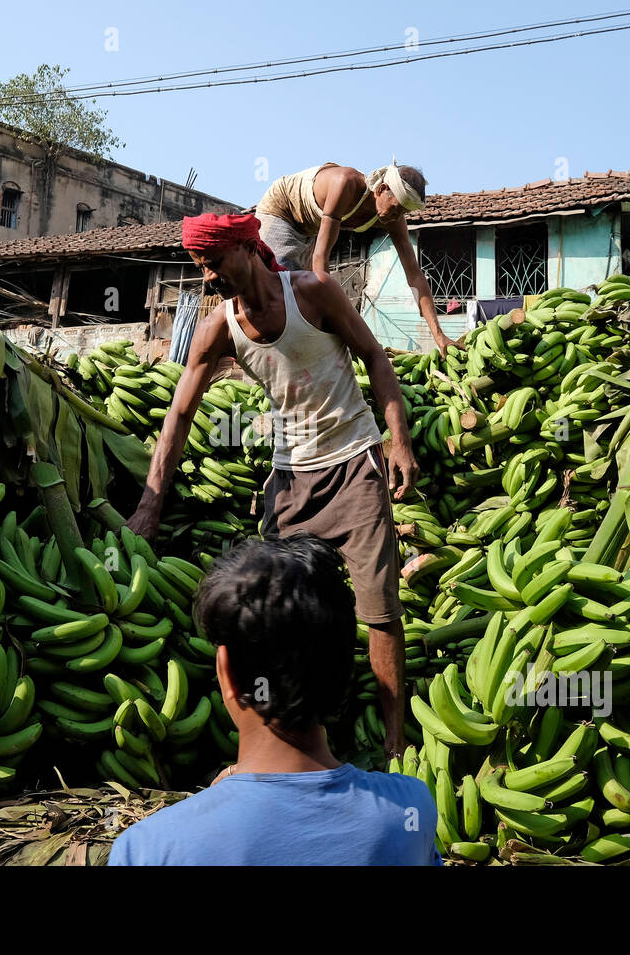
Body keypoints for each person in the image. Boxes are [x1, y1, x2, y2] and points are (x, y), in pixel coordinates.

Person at [126, 212, 418, 758]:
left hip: (354, 461)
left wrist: (396, 439)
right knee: (280, 613)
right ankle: (290, 742)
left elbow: (375, 356)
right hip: (289, 478)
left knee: (378, 610)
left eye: (212, 262)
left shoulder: (314, 292)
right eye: (198, 267)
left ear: (243, 247)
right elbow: (179, 414)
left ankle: (395, 743)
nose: (207, 276)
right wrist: (151, 502)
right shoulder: (220, 327)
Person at [108, 535, 440, 866]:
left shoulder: (147, 849)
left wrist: (212, 802)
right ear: (343, 668)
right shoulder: (410, 810)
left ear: (226, 672)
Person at [255, 161, 458, 351]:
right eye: (395, 208)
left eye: (403, 213)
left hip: (310, 228)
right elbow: (321, 257)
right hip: (282, 211)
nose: (397, 217)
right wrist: (332, 318)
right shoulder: (346, 184)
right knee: (279, 291)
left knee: (300, 300)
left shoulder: (393, 218)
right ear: (381, 189)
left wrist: (438, 335)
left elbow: (414, 274)